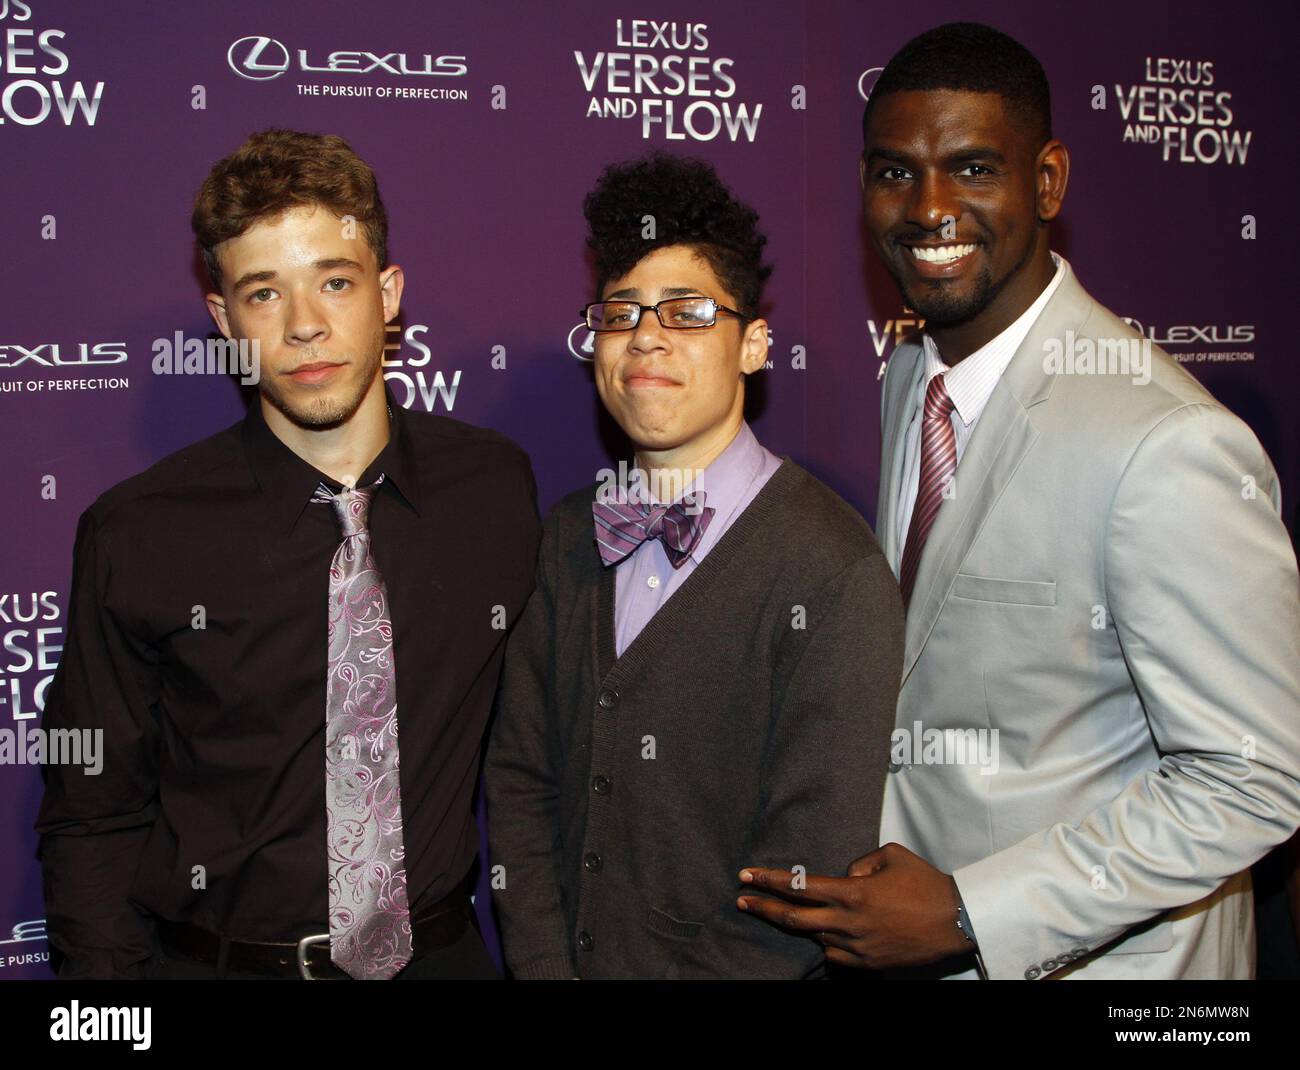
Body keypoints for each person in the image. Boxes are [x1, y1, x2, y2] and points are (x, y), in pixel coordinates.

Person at [736, 22, 1300, 979]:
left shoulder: (1166, 443)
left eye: (973, 169)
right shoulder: (911, 376)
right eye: (893, 173)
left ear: (1047, 183)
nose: (930, 208)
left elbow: (1250, 780)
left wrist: (971, 913)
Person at [35, 129, 541, 980]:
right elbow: (89, 813)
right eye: (264, 294)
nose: (306, 326)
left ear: (388, 294)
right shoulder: (140, 531)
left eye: (335, 282)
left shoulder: (493, 489)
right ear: (223, 319)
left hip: (442, 957)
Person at [484, 153, 904, 979]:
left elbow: (805, 881)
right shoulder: (570, 533)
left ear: (752, 345)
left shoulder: (831, 570)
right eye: (621, 313)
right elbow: (521, 780)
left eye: (686, 312)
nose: (646, 335)